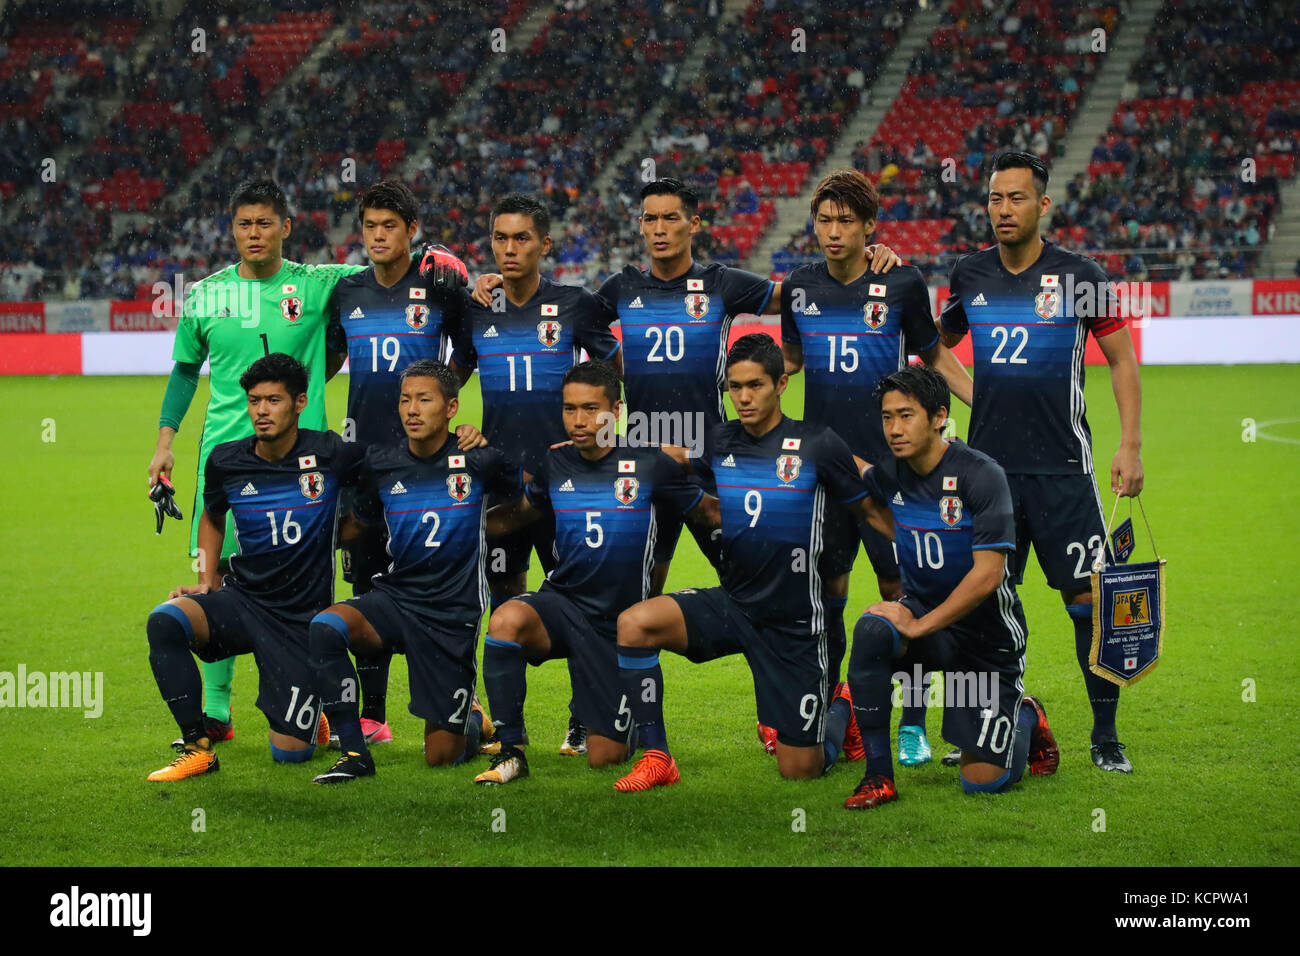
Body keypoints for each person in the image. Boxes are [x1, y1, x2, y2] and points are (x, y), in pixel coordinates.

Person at [145, 178, 467, 744]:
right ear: (232, 229)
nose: (253, 233)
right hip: (226, 460)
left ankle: (313, 702)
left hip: (306, 465)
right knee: (216, 573)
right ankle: (217, 711)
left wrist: (442, 256)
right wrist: (164, 441)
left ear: (285, 227)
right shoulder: (203, 295)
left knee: (306, 578)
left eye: (264, 222)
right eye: (244, 223)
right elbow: (183, 372)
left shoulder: (318, 284)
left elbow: (389, 265)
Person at [937, 150, 1144, 773]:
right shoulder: (968, 274)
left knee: (1087, 604)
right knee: (980, 602)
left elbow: (1124, 362)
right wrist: (978, 393)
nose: (1004, 209)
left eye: (1017, 198)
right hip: (988, 475)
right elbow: (934, 347)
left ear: (1043, 205)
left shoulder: (1080, 276)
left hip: (1063, 472)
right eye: (996, 199)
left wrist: (1129, 444)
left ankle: (1105, 737)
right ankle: (983, 728)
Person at [612, 334, 878, 791]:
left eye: (755, 385)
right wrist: (594, 453)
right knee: (635, 624)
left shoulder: (817, 444)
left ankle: (840, 710)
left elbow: (869, 509)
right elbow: (664, 457)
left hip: (794, 624)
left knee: (800, 770)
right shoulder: (717, 441)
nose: (744, 397)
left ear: (781, 383)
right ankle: (657, 756)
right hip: (734, 605)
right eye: (734, 387)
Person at [780, 168, 974, 765]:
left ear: (870, 228)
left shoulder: (902, 283)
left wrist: (987, 410)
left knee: (903, 593)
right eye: (825, 219)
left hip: (894, 474)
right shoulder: (797, 288)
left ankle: (912, 721)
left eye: (846, 221)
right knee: (829, 596)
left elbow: (936, 354)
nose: (833, 231)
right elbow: (786, 360)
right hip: (823, 478)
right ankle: (822, 705)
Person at [472, 361, 718, 785]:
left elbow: (708, 512)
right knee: (506, 619)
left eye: (590, 409)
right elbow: (515, 517)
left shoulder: (650, 464)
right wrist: (459, 517)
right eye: (570, 409)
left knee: (604, 758)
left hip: (620, 626)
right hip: (562, 605)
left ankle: (621, 727)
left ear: (617, 409)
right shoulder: (555, 463)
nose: (579, 420)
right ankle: (512, 750)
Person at [449, 193, 623, 757]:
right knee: (501, 605)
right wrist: (463, 431)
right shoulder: (476, 310)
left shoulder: (574, 305)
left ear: (544, 245)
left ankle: (582, 718)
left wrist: (601, 435)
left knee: (576, 602)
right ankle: (504, 726)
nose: (509, 249)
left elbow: (611, 374)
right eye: (500, 238)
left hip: (564, 484)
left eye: (521, 238)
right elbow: (449, 379)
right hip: (501, 482)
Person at [842, 365, 1059, 809]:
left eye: (906, 415)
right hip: (929, 623)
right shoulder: (891, 472)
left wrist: (919, 627)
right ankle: (878, 776)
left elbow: (988, 575)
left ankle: (1025, 717)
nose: (894, 429)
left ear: (940, 416)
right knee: (870, 631)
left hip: (986, 642)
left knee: (981, 783)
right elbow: (858, 478)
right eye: (886, 417)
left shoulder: (981, 474)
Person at [144, 354, 362, 781]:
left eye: (273, 400)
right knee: (166, 621)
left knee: (290, 755)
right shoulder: (227, 459)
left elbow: (385, 478)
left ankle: (308, 712)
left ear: (299, 403)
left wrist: (345, 533)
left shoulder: (330, 452)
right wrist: (207, 582)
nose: (262, 411)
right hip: (244, 603)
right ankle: (198, 746)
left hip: (302, 621)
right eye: (254, 401)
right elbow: (211, 515)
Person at [326, 179, 479, 749]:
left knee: (437, 579)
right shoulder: (347, 292)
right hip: (366, 459)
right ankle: (372, 714)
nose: (379, 236)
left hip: (427, 465)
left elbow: (467, 349)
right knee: (367, 582)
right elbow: (329, 358)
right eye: (370, 226)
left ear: (412, 231)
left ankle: (460, 697)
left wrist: (439, 407)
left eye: (391, 226)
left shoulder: (438, 285)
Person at [309, 360, 513, 783]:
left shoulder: (480, 460)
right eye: (405, 400)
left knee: (441, 756)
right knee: (327, 627)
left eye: (425, 399)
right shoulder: (381, 464)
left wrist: (482, 526)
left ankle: (473, 719)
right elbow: (359, 523)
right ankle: (353, 751)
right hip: (397, 599)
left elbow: (526, 497)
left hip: (453, 613)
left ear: (452, 407)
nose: (412, 410)